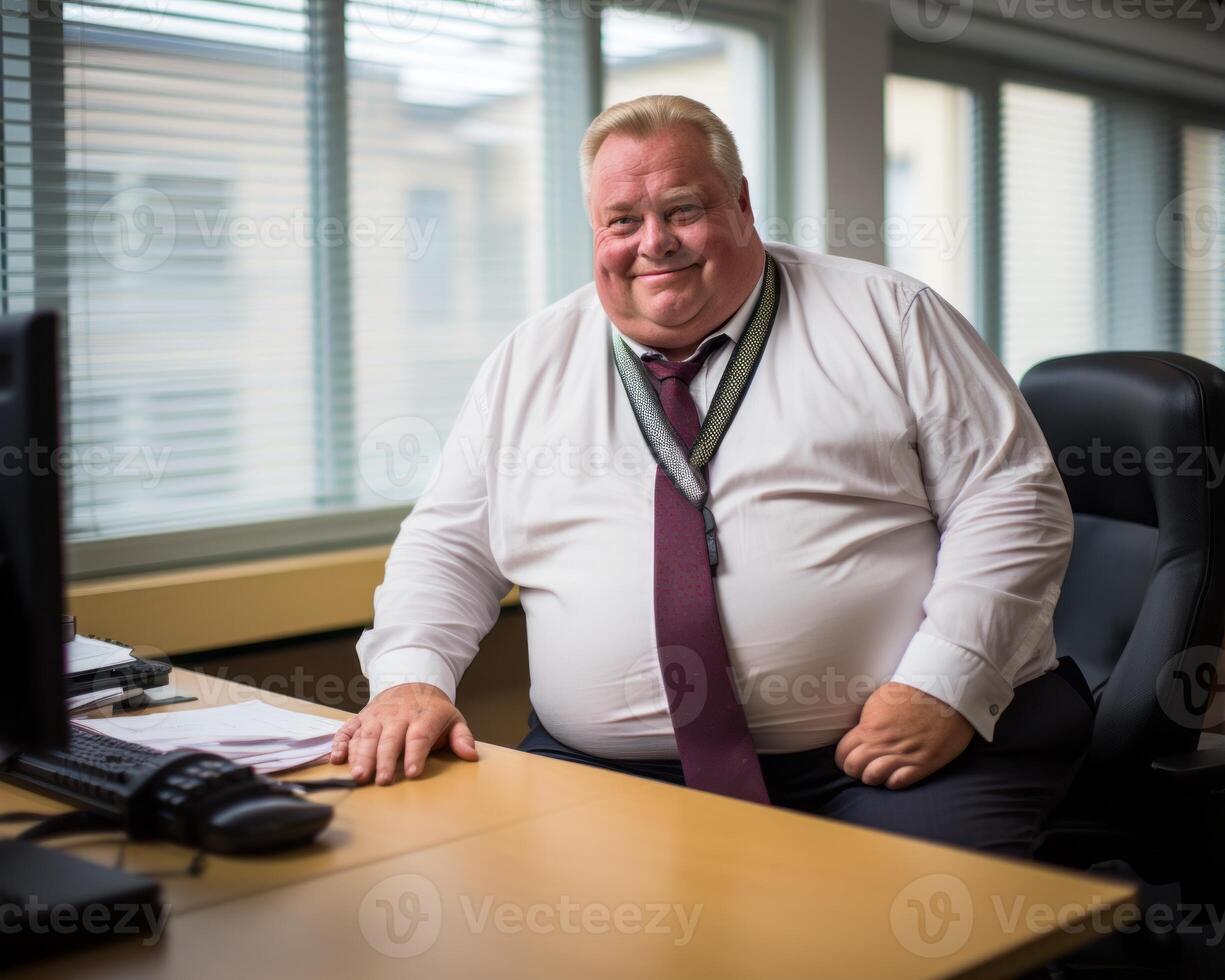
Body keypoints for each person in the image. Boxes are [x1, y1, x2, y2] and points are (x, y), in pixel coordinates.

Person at [330, 94, 1093, 856]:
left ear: (741, 204)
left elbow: (1011, 501)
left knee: (912, 936)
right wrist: (410, 678)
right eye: (621, 220)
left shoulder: (890, 317)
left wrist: (944, 684)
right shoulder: (528, 361)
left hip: (892, 752)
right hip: (610, 771)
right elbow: (447, 545)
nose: (653, 243)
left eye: (683, 209)